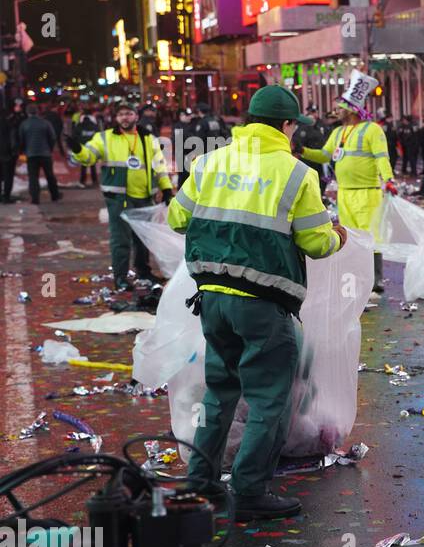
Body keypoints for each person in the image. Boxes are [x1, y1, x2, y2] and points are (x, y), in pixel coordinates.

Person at [168, 85, 347, 522]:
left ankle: (200, 485)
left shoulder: (209, 162)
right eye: (293, 127)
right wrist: (339, 233)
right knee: (269, 401)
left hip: (212, 301)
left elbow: (177, 218)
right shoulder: (297, 174)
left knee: (220, 393)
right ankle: (249, 491)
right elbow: (316, 243)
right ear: (286, 126)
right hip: (264, 305)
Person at [68, 102, 173, 288]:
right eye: (121, 114)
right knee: (121, 239)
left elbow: (159, 165)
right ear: (115, 118)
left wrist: (166, 188)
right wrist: (78, 150)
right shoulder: (104, 138)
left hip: (144, 197)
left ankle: (144, 272)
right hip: (118, 198)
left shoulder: (148, 138)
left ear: (136, 117)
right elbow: (89, 157)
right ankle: (121, 278)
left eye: (129, 114)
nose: (125, 117)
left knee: (142, 238)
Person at [298, 97, 394, 293]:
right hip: (345, 193)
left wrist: (389, 179)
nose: (336, 111)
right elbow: (325, 155)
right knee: (352, 236)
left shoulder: (372, 130)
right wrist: (303, 151)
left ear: (351, 109)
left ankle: (376, 279)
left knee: (370, 236)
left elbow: (381, 157)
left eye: (339, 108)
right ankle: (359, 275)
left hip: (368, 193)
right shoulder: (338, 132)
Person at [18, 104, 62, 204]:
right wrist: (49, 149)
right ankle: (54, 195)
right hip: (45, 153)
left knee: (33, 176)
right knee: (50, 175)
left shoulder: (24, 124)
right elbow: (52, 137)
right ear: (37, 111)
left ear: (27, 112)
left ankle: (35, 198)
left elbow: (21, 139)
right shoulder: (45, 123)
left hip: (31, 154)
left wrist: (23, 151)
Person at [0, 106, 17, 204]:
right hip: (6, 153)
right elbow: (13, 139)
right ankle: (6, 197)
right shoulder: (9, 124)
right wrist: (14, 152)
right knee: (8, 176)